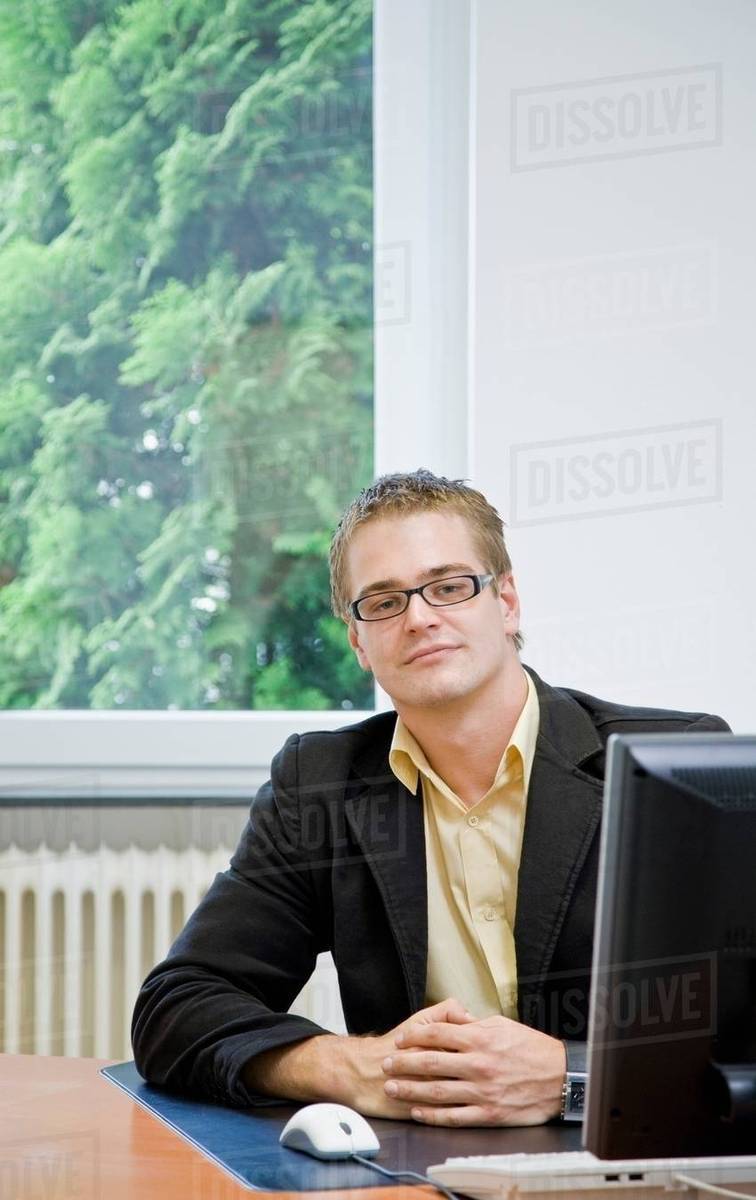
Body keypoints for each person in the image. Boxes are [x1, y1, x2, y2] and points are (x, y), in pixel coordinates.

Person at [132, 469, 730, 1126]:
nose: (419, 618)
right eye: (383, 602)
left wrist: (574, 1076)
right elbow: (179, 1007)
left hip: (620, 1160)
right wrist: (350, 1066)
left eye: (449, 587)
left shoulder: (675, 761)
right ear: (359, 641)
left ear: (506, 602)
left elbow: (741, 1033)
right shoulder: (320, 783)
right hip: (415, 1163)